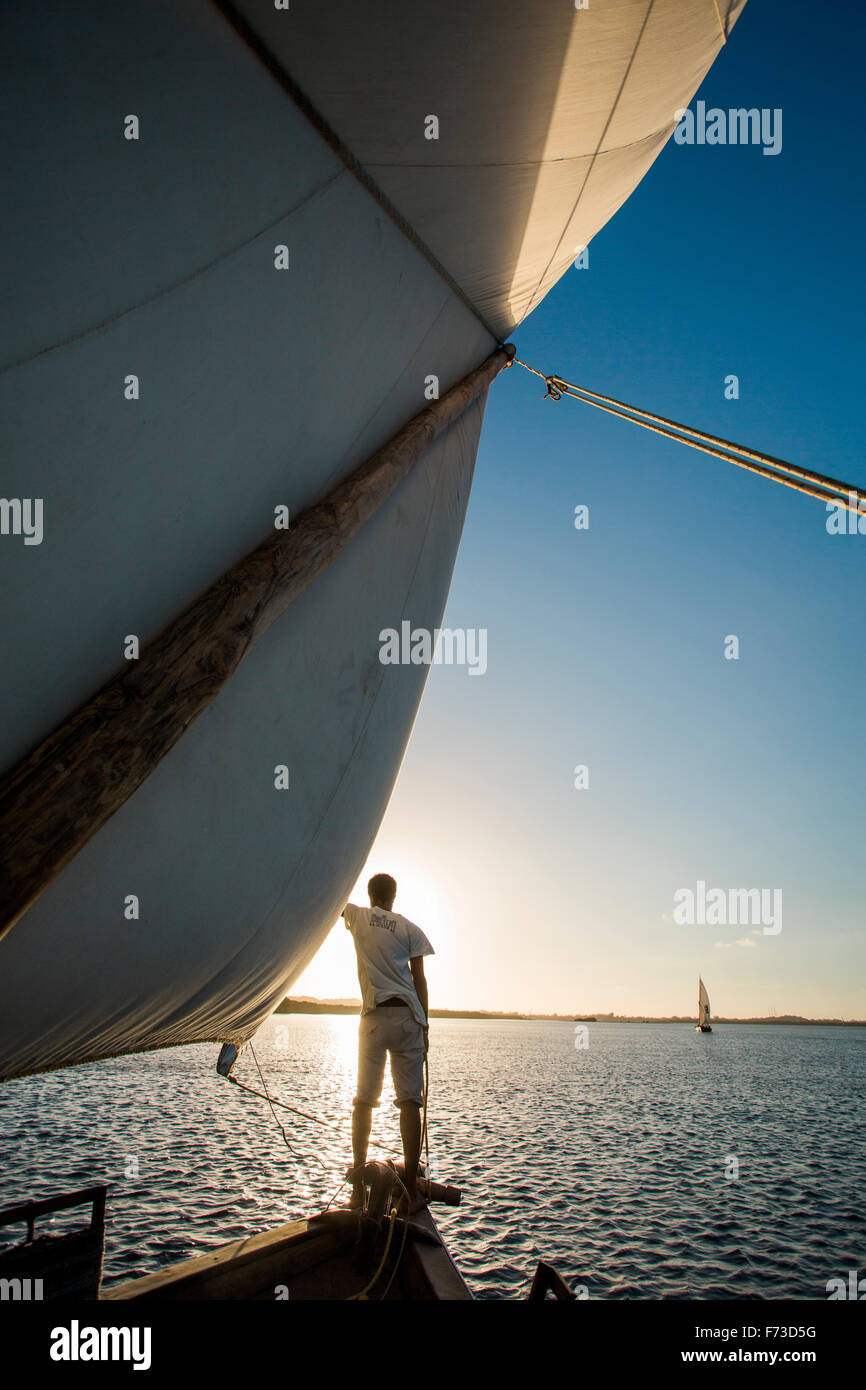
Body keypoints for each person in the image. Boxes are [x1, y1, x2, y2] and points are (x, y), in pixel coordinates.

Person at [342, 872, 434, 1214]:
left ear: (370, 895)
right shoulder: (410, 928)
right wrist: (425, 1026)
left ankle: (356, 1192)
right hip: (408, 1017)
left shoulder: (357, 916)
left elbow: (332, 899)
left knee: (364, 1101)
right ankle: (411, 1191)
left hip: (374, 1018)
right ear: (394, 897)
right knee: (410, 1102)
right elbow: (419, 979)